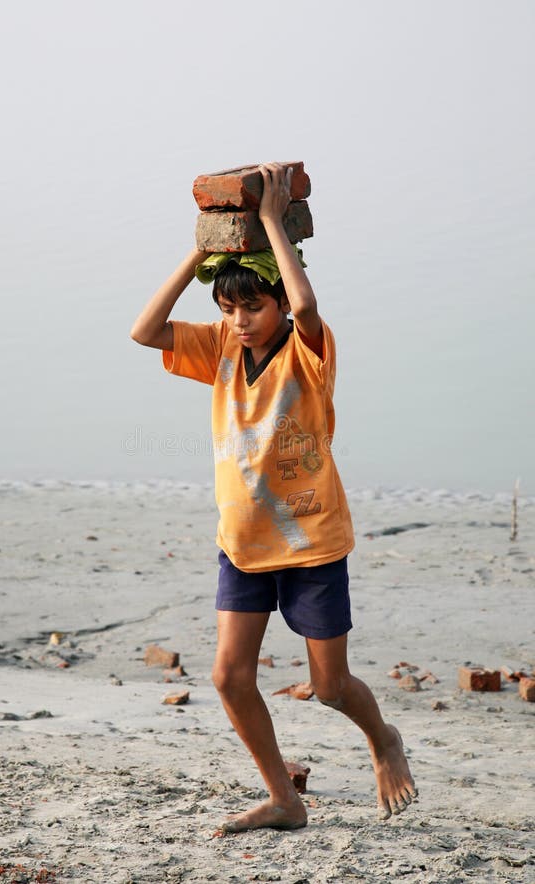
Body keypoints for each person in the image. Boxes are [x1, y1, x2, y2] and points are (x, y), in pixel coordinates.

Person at [130, 162, 417, 833]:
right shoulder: (219, 349)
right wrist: (201, 250)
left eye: (253, 307)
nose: (239, 321)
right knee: (229, 677)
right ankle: (285, 799)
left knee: (330, 688)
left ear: (279, 304)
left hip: (311, 542)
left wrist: (268, 221)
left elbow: (307, 307)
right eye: (228, 309)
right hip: (243, 543)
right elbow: (145, 331)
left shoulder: (308, 353)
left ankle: (383, 739)